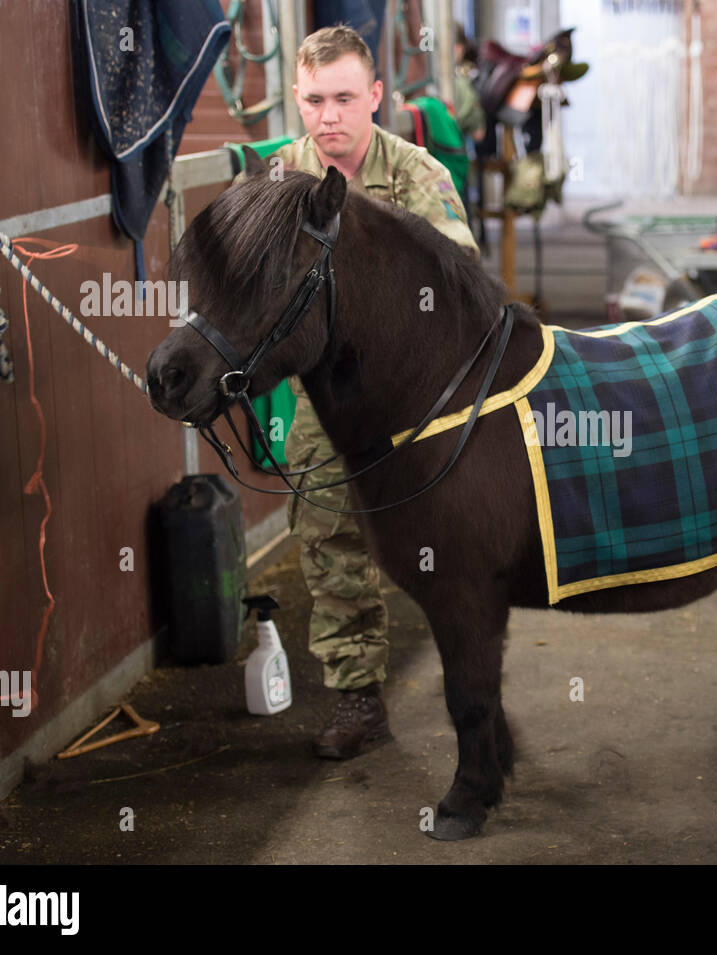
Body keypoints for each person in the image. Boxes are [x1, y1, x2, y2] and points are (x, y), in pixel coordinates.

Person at [237, 25, 478, 759]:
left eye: (345, 97)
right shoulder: (280, 181)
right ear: (297, 100)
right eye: (314, 100)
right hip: (325, 399)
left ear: (375, 96)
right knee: (332, 538)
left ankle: (475, 689)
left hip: (415, 397)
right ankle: (357, 698)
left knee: (452, 542)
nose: (329, 116)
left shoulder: (416, 174)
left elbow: (463, 283)